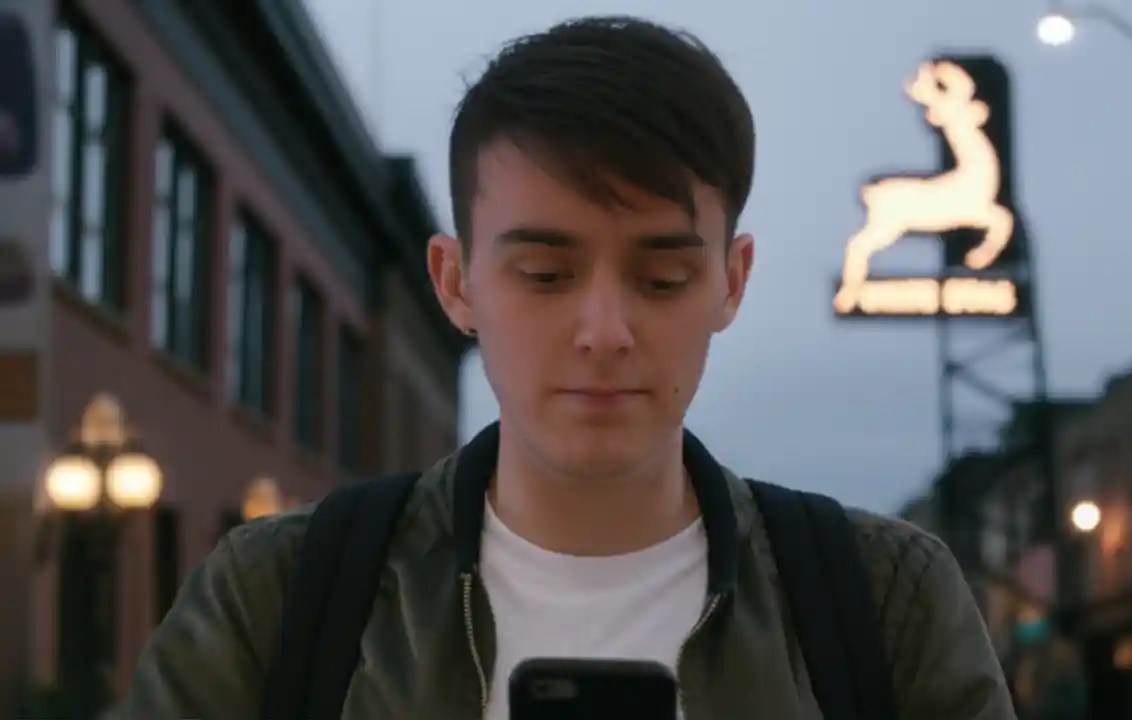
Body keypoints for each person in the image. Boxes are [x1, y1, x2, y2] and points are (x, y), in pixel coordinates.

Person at [115, 15, 1015, 720]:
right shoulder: (282, 595)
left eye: (662, 278)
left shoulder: (884, 601)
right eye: (545, 275)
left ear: (731, 282)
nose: (604, 329)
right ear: (456, 282)